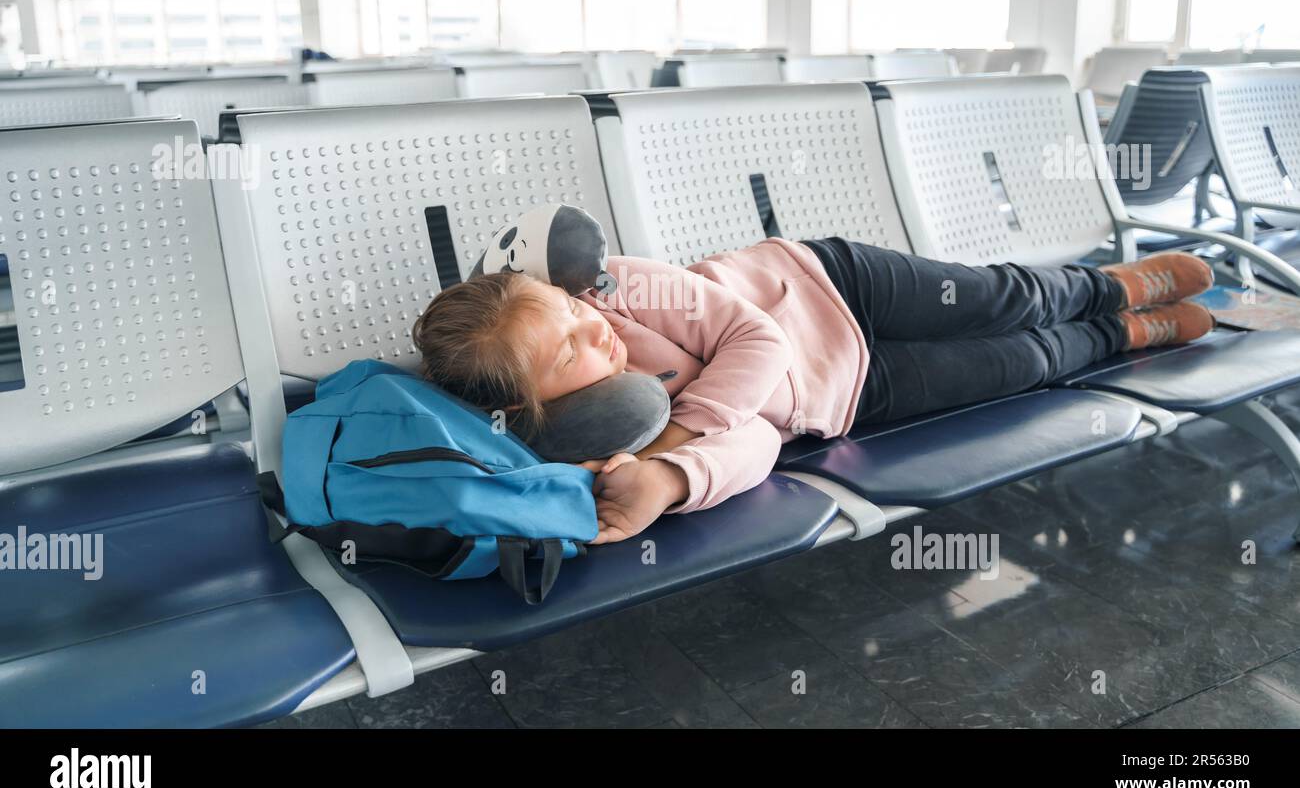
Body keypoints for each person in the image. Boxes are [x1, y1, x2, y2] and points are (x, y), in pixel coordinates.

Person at [412, 238, 1214, 545]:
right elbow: (757, 441)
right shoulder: (606, 429)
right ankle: (1126, 334)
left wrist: (681, 436)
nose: (596, 329)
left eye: (573, 311)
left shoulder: (619, 287)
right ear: (536, 405)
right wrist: (670, 477)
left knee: (1011, 301)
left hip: (828, 288)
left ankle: (1112, 286)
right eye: (569, 352)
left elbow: (754, 338)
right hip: (848, 395)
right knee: (1024, 364)